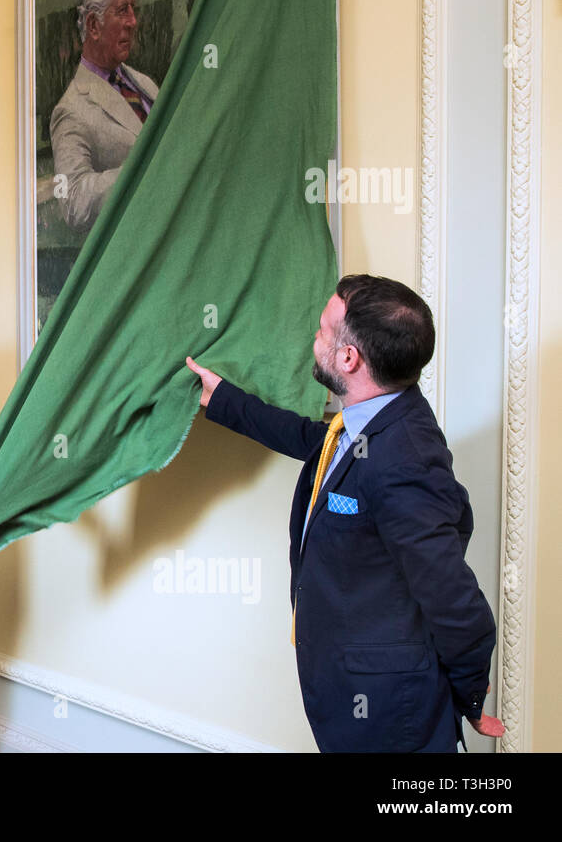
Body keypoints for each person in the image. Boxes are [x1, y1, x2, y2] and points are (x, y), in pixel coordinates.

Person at [186, 274, 503, 752]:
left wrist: (469, 696)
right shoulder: (373, 418)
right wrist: (224, 400)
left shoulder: (404, 458)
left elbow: (456, 603)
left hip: (387, 713)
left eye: (322, 331)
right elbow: (316, 444)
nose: (314, 339)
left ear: (349, 358)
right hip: (350, 695)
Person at [50, 0, 159, 233]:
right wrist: (145, 172)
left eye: (134, 8)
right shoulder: (71, 110)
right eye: (122, 10)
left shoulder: (145, 84)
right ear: (93, 25)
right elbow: (73, 201)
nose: (133, 22)